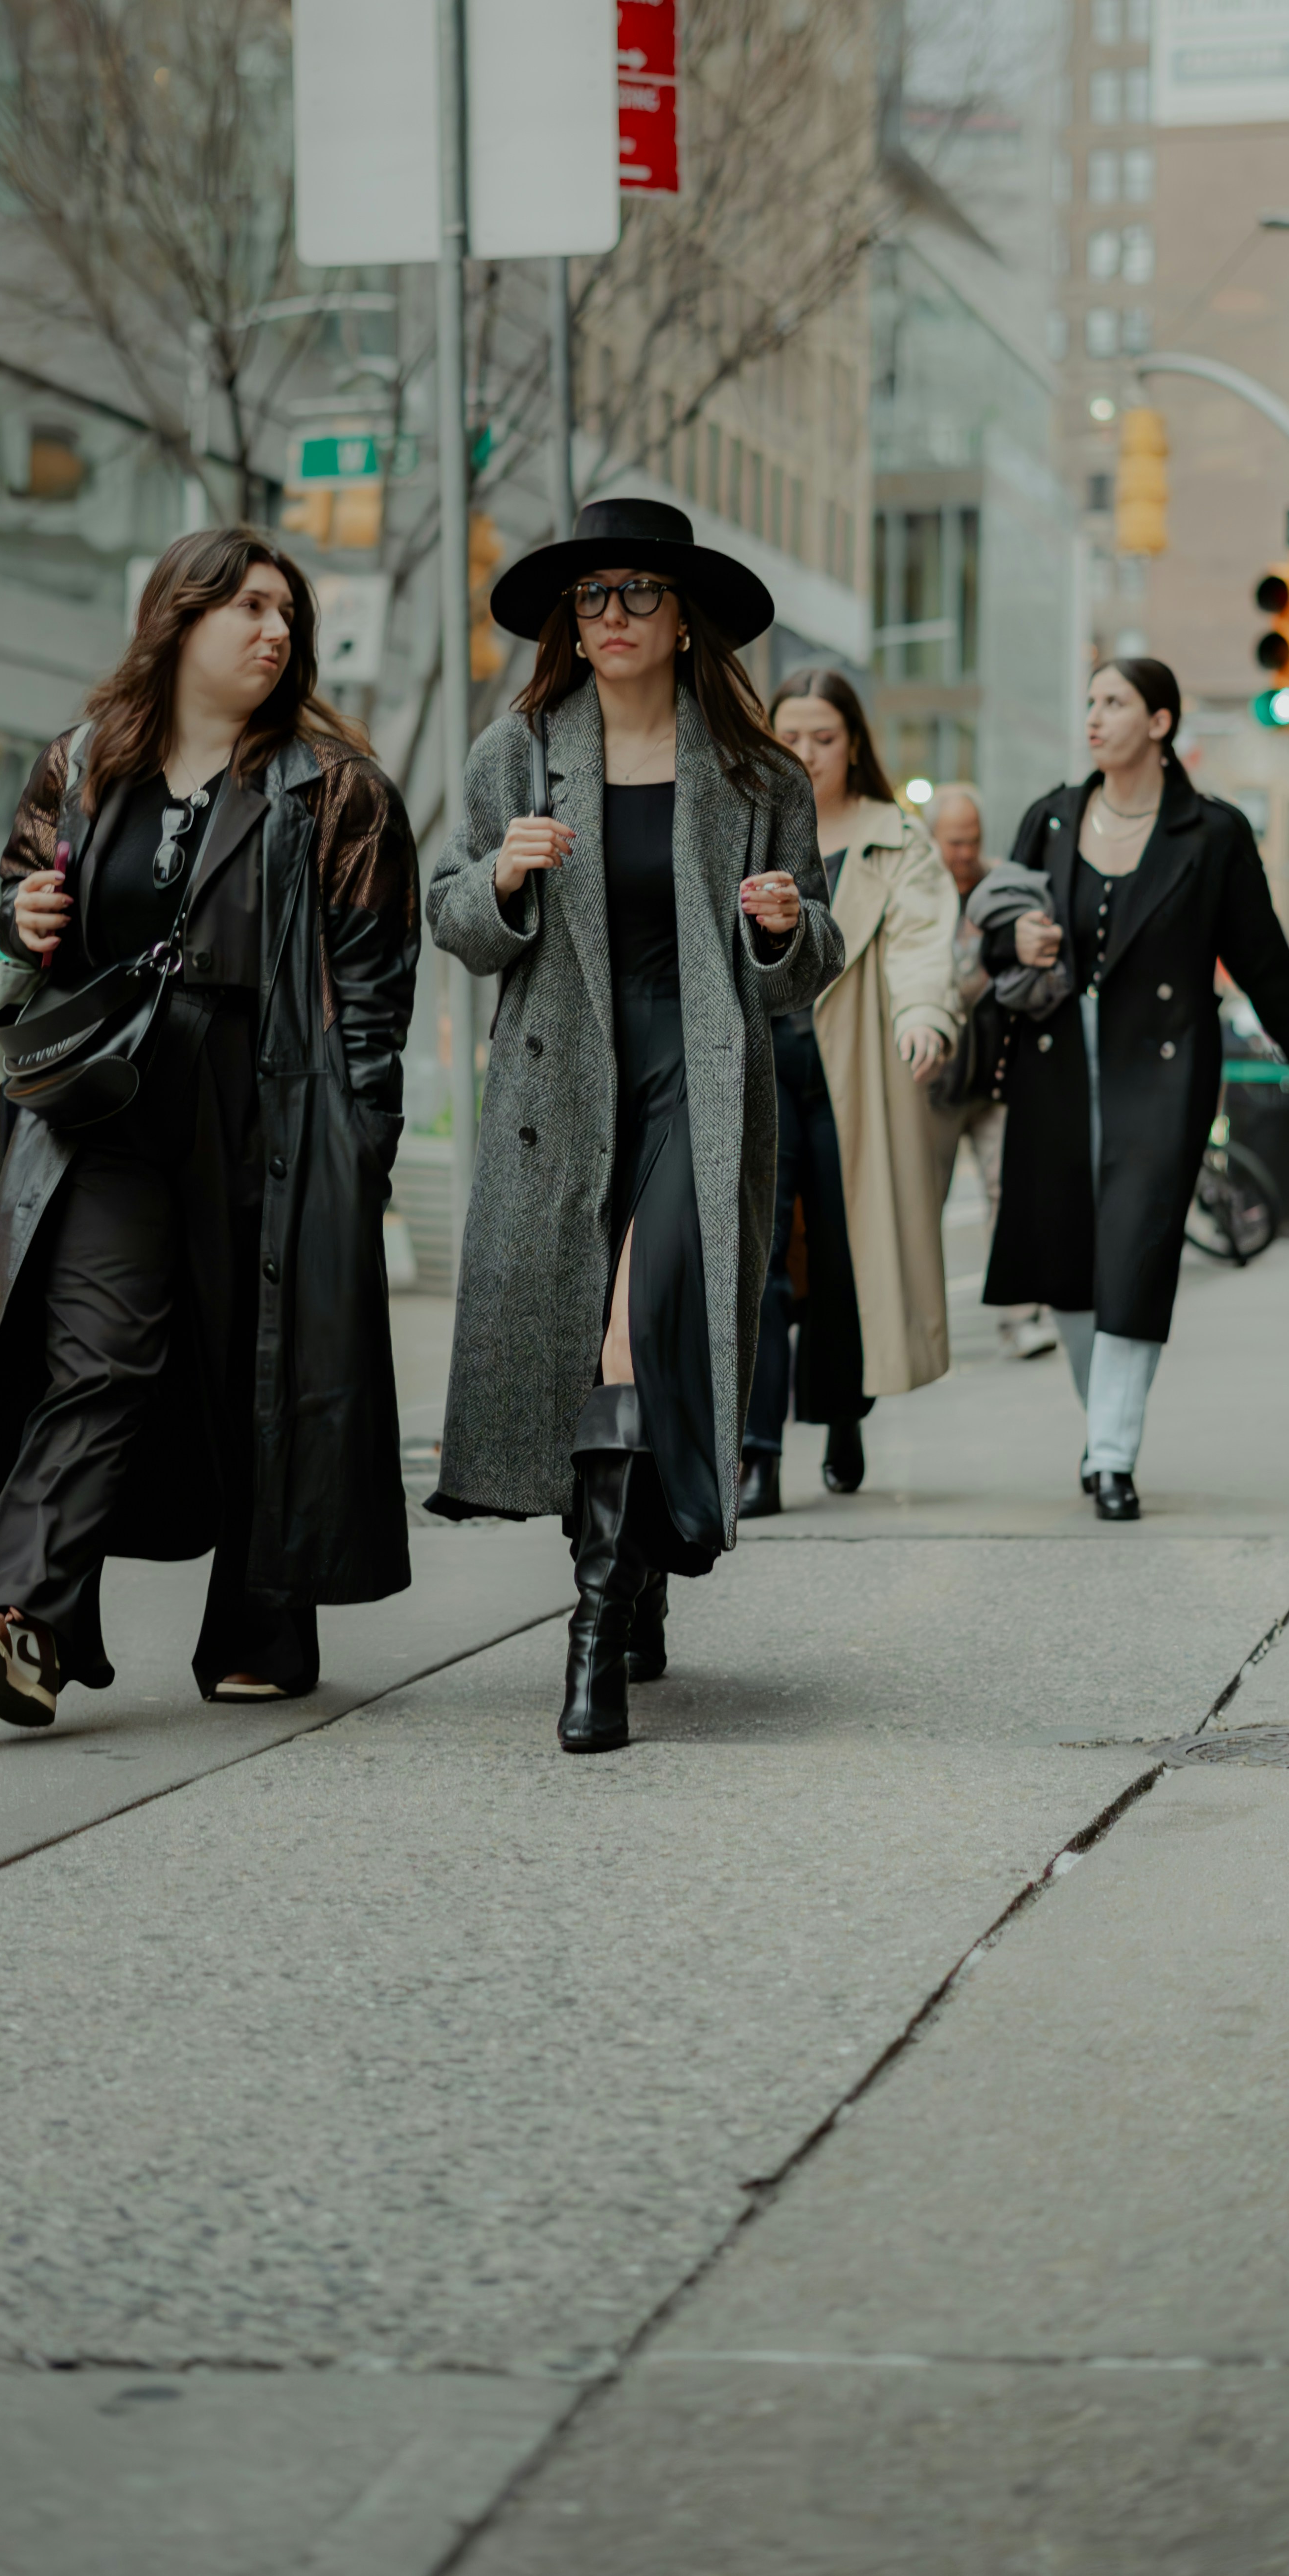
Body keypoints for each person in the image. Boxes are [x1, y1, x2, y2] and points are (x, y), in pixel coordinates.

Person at [0, 526, 420, 1731]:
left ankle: (259, 1624)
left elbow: (371, 988)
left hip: (271, 1099)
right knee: (97, 1357)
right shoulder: (83, 763)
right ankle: (24, 1620)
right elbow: (22, 898)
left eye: (286, 614)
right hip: (108, 1101)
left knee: (261, 1363)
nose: (274, 630)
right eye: (248, 606)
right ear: (178, 619)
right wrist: (22, 912)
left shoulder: (333, 785)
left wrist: (359, 1150)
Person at [427, 497, 842, 1754]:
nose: (610, 617)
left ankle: (591, 1641)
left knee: (629, 1332)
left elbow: (811, 951)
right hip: (564, 1092)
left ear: (684, 618)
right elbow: (445, 911)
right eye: (591, 597)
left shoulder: (757, 772)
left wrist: (779, 927)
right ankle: (639, 1578)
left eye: (636, 595)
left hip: (695, 1090)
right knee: (599, 1349)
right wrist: (501, 878)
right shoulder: (515, 755)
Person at [988, 656, 1289, 1519]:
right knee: (1071, 1265)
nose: (1093, 716)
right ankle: (1101, 1428)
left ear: (1158, 721)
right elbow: (994, 926)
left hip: (1161, 1071)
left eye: (1112, 702)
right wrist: (1018, 941)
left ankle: (1113, 1453)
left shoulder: (1212, 832)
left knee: (1136, 1251)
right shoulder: (1049, 815)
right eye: (1088, 702)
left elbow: (1263, 961)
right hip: (1056, 1062)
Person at [738, 672, 957, 1514]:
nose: (805, 752)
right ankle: (757, 1449)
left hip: (851, 1068)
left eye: (823, 735)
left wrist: (925, 1016)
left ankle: (841, 1413)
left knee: (839, 1249)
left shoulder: (892, 838)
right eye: (789, 733)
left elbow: (919, 942)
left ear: (853, 743)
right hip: (762, 1064)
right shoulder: (742, 829)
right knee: (756, 1250)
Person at [923, 781, 1058, 1364]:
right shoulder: (919, 894)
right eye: (954, 841)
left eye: (972, 840)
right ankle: (921, 1330)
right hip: (935, 1084)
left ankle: (1021, 1318)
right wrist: (983, 960)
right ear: (932, 840)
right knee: (922, 1203)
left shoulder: (1002, 888)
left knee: (1012, 1196)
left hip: (1001, 1078)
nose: (964, 853)